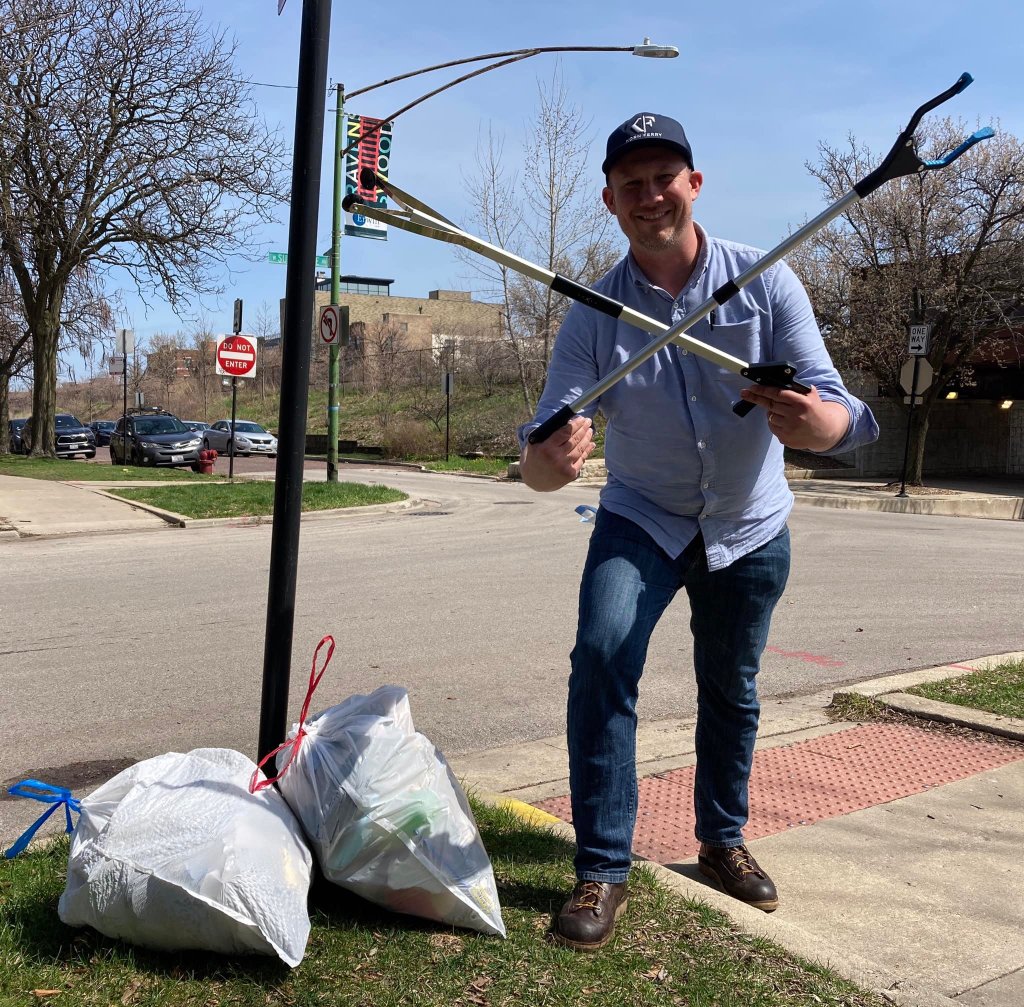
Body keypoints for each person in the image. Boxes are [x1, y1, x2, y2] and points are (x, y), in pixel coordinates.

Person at [517, 112, 879, 952]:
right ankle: (603, 866)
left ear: (695, 183)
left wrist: (809, 423)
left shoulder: (767, 284)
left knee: (732, 687)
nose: (651, 197)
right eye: (632, 185)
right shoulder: (594, 312)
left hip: (750, 523)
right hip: (640, 515)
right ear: (610, 201)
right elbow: (538, 461)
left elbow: (848, 419)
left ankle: (722, 841)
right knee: (603, 657)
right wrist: (555, 456)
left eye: (664, 178)